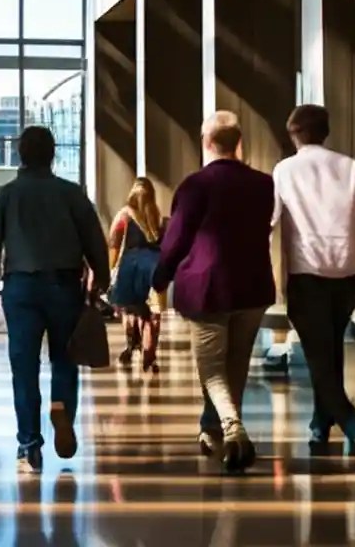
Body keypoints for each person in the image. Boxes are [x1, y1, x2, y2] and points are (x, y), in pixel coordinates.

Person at [0, 126, 109, 473]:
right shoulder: (71, 193)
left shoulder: (6, 196)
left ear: (20, 155)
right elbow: (94, 239)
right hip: (64, 285)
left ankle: (28, 448)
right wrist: (102, 278)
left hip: (20, 287)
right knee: (65, 358)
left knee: (24, 368)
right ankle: (62, 407)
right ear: (53, 155)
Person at [152, 111, 275, 472]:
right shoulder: (263, 183)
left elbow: (177, 240)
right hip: (253, 286)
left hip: (208, 287)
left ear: (206, 143)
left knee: (211, 369)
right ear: (239, 143)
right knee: (236, 365)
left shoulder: (195, 185)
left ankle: (233, 430)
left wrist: (160, 276)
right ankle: (216, 431)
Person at [271, 104, 355, 453]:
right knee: (328, 351)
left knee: (318, 354)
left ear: (293, 134)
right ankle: (320, 422)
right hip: (349, 269)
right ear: (326, 131)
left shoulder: (284, 171)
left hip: (307, 270)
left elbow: (269, 221)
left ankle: (351, 420)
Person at [106, 177, 166, 372]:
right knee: (153, 315)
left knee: (130, 309)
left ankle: (132, 345)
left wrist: (110, 269)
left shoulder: (124, 215)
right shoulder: (157, 216)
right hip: (155, 272)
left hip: (130, 269)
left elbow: (114, 245)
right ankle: (149, 355)